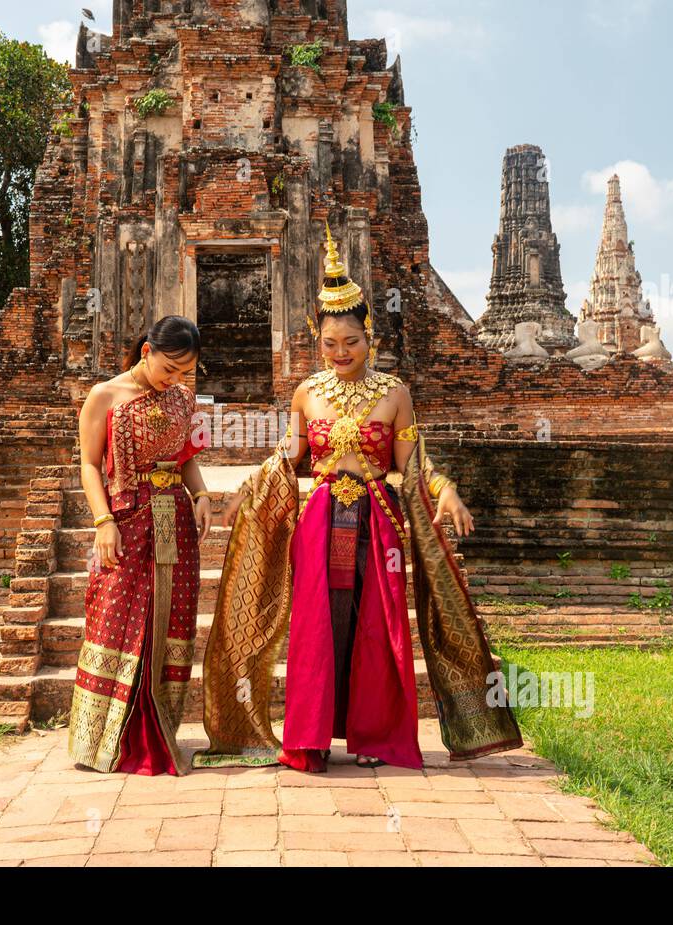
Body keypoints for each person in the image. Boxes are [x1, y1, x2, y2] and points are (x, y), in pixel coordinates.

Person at [194, 225, 522, 772]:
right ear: (314, 341)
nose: (340, 353)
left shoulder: (394, 394)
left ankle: (374, 736)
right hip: (320, 516)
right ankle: (312, 737)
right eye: (329, 344)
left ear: (370, 335)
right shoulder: (307, 392)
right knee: (316, 627)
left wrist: (448, 491)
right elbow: (286, 458)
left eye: (351, 342)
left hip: (377, 518)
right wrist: (243, 496)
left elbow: (414, 461)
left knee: (376, 627)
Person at [67, 315, 214, 775]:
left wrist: (203, 494)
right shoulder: (104, 395)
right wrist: (102, 521)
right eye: (169, 369)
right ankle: (103, 737)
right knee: (115, 614)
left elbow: (186, 460)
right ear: (147, 352)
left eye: (183, 373)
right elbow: (90, 465)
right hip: (125, 519)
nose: (173, 380)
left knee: (170, 615)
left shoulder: (184, 400)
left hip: (175, 519)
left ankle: (160, 726)